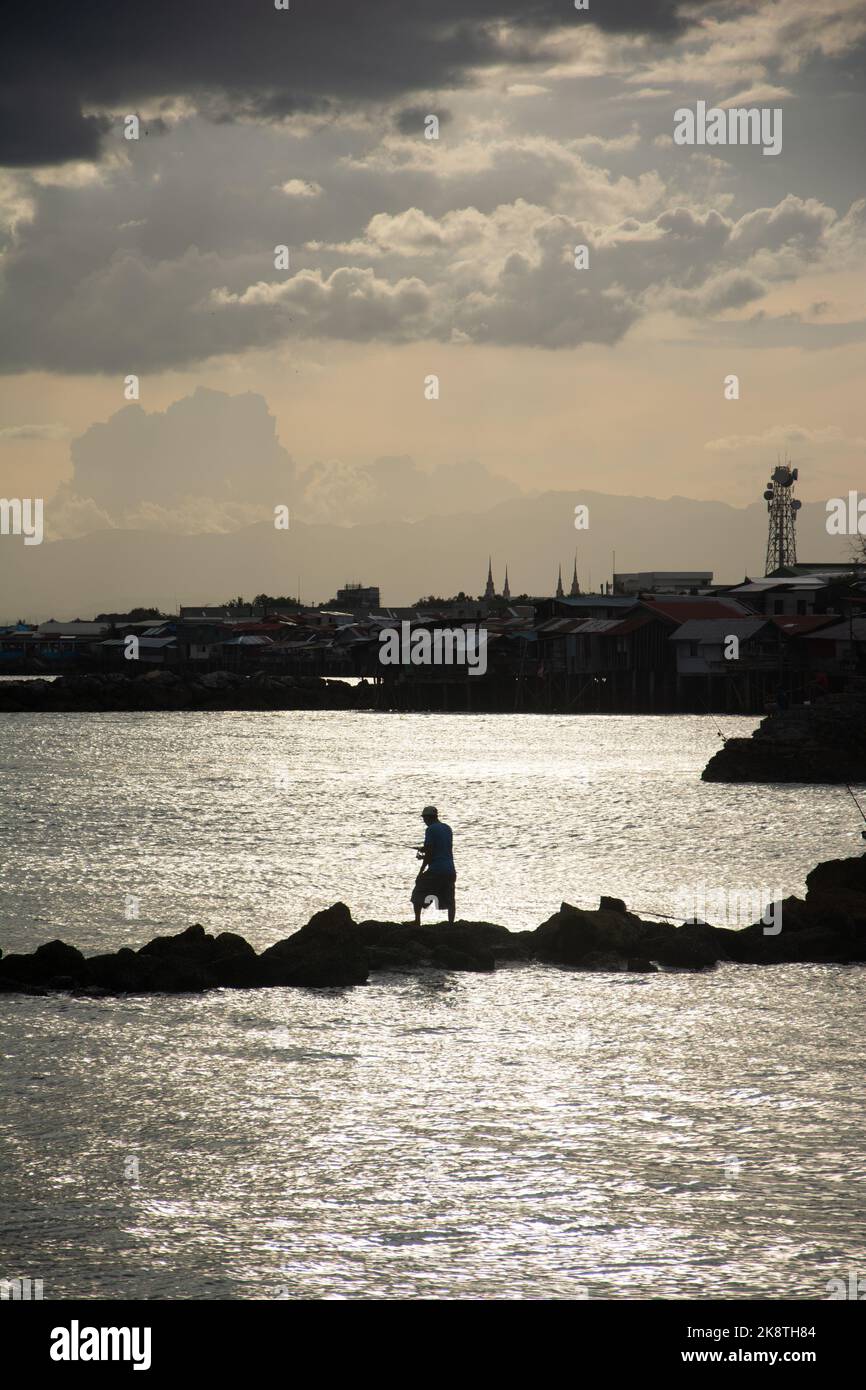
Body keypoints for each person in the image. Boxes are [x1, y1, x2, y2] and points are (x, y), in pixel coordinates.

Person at [411, 805, 456, 925]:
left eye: (424, 818)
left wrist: (421, 871)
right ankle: (451, 924)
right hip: (450, 870)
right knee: (450, 898)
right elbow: (440, 848)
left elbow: (430, 852)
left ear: (428, 818)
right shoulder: (447, 828)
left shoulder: (430, 829)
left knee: (418, 892)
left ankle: (417, 921)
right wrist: (424, 850)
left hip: (436, 870)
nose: (424, 821)